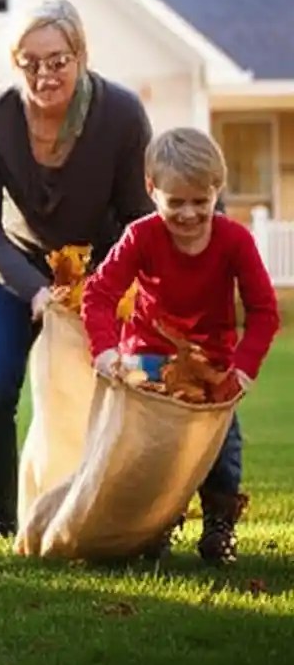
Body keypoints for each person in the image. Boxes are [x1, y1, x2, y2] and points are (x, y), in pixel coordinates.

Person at [0, 0, 153, 538]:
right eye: (30, 62)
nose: (45, 74)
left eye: (58, 60)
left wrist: (103, 287)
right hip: (15, 268)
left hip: (103, 270)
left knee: (116, 390)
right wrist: (35, 292)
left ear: (81, 55)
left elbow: (139, 218)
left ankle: (115, 514)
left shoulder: (120, 113)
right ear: (15, 62)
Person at [83, 127, 280, 564]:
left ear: (217, 191)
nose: (189, 214)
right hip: (147, 361)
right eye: (176, 203)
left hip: (214, 366)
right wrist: (106, 351)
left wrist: (243, 370)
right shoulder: (141, 237)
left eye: (200, 202)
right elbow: (98, 295)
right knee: (149, 453)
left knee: (222, 448)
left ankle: (219, 525)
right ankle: (154, 525)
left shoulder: (235, 241)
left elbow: (264, 311)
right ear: (152, 191)